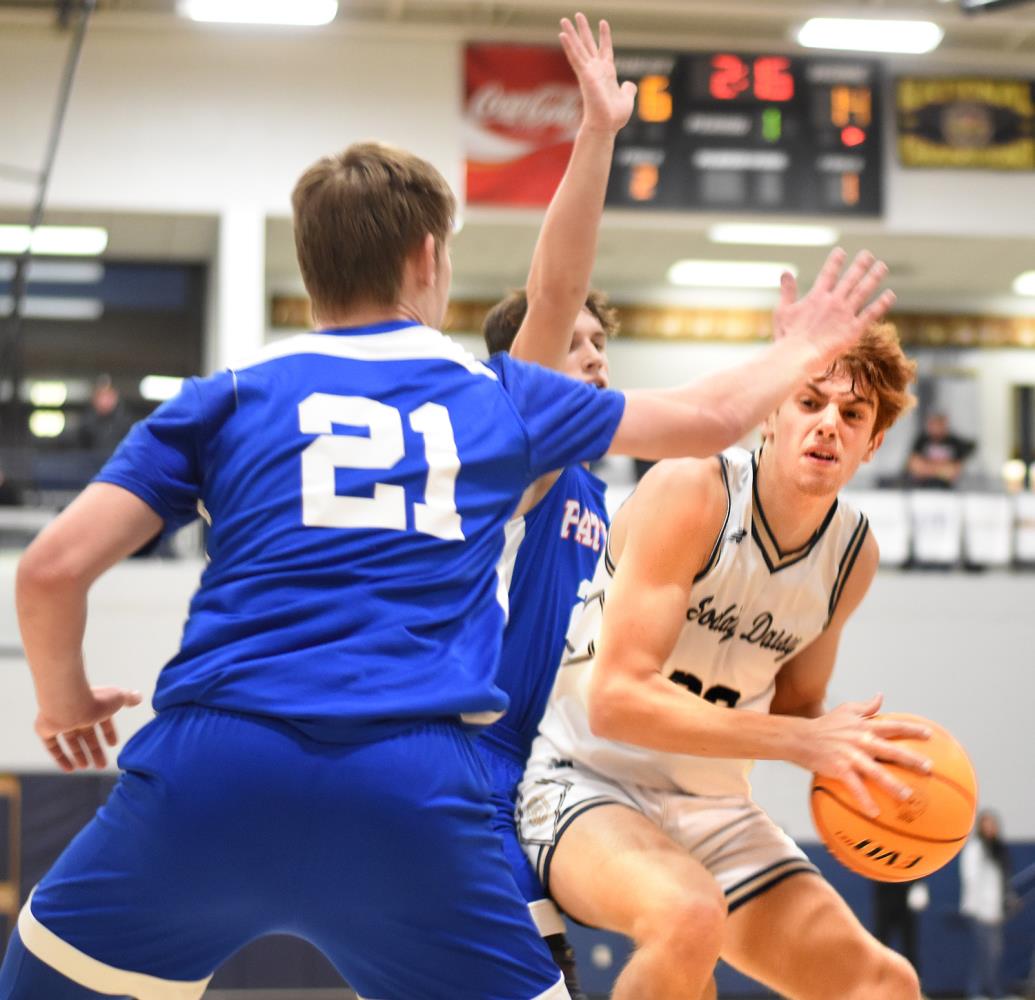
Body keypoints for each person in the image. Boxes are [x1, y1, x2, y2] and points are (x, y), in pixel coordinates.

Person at [0, 16, 895, 999]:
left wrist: (62, 699)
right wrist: (800, 346)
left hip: (217, 761)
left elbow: (48, 573)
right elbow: (711, 416)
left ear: (309, 267)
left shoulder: (224, 395)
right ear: (430, 260)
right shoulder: (495, 398)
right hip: (416, 785)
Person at [475, 17, 892, 1000]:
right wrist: (597, 136)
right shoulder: (521, 457)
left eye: (598, 346)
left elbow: (789, 700)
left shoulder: (601, 486)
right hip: (500, 767)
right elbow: (557, 293)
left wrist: (857, 759)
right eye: (572, 348)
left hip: (666, 780)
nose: (593, 361)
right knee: (666, 931)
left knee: (866, 979)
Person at [517, 323, 933, 1000]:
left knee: (883, 984)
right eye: (808, 402)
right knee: (688, 918)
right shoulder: (693, 489)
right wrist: (802, 741)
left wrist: (860, 763)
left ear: (872, 443)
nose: (828, 424)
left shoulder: (851, 553)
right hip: (584, 783)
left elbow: (800, 705)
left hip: (711, 806)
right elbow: (617, 700)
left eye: (851, 415)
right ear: (770, 412)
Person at [961, 809, 1014, 1000]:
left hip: (996, 911)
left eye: (993, 823)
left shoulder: (999, 850)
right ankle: (976, 991)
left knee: (995, 953)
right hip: (979, 911)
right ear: (980, 826)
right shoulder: (975, 848)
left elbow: (1002, 881)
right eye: (986, 823)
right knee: (982, 951)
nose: (990, 827)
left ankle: (993, 990)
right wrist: (977, 908)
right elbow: (971, 879)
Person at [906, 410, 974, 488]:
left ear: (945, 425)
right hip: (921, 487)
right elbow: (914, 466)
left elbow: (955, 470)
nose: (936, 428)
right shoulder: (922, 440)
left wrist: (928, 468)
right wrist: (940, 470)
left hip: (948, 488)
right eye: (933, 424)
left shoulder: (954, 442)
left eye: (939, 424)